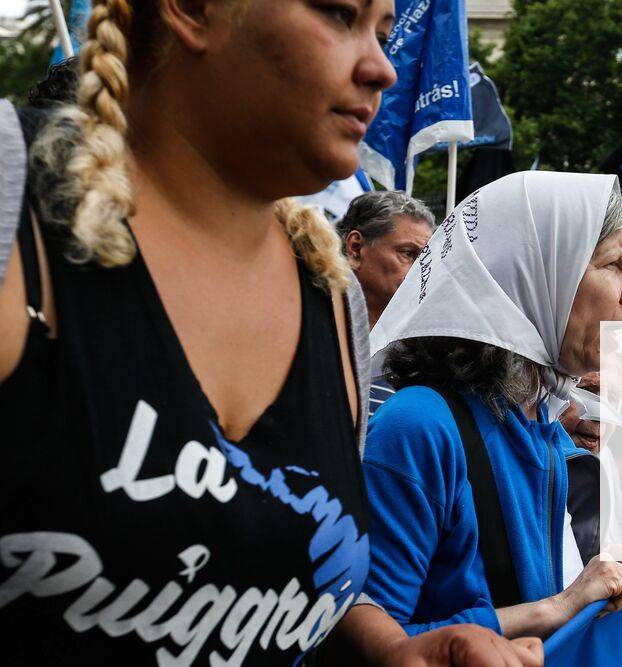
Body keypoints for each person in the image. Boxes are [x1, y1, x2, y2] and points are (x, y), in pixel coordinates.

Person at [0, 2, 540, 664]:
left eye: (383, 30)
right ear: (194, 12)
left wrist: (394, 649)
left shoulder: (332, 299)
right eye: (340, 15)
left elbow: (263, 561)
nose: (382, 68)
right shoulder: (15, 197)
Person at [362, 172, 622, 639]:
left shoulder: (541, 430)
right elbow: (370, 646)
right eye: (614, 263)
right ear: (534, 276)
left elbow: (540, 590)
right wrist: (558, 607)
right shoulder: (418, 427)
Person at [338, 191, 435, 329]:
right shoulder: (310, 315)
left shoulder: (428, 335)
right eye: (407, 253)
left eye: (425, 258)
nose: (421, 270)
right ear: (356, 248)